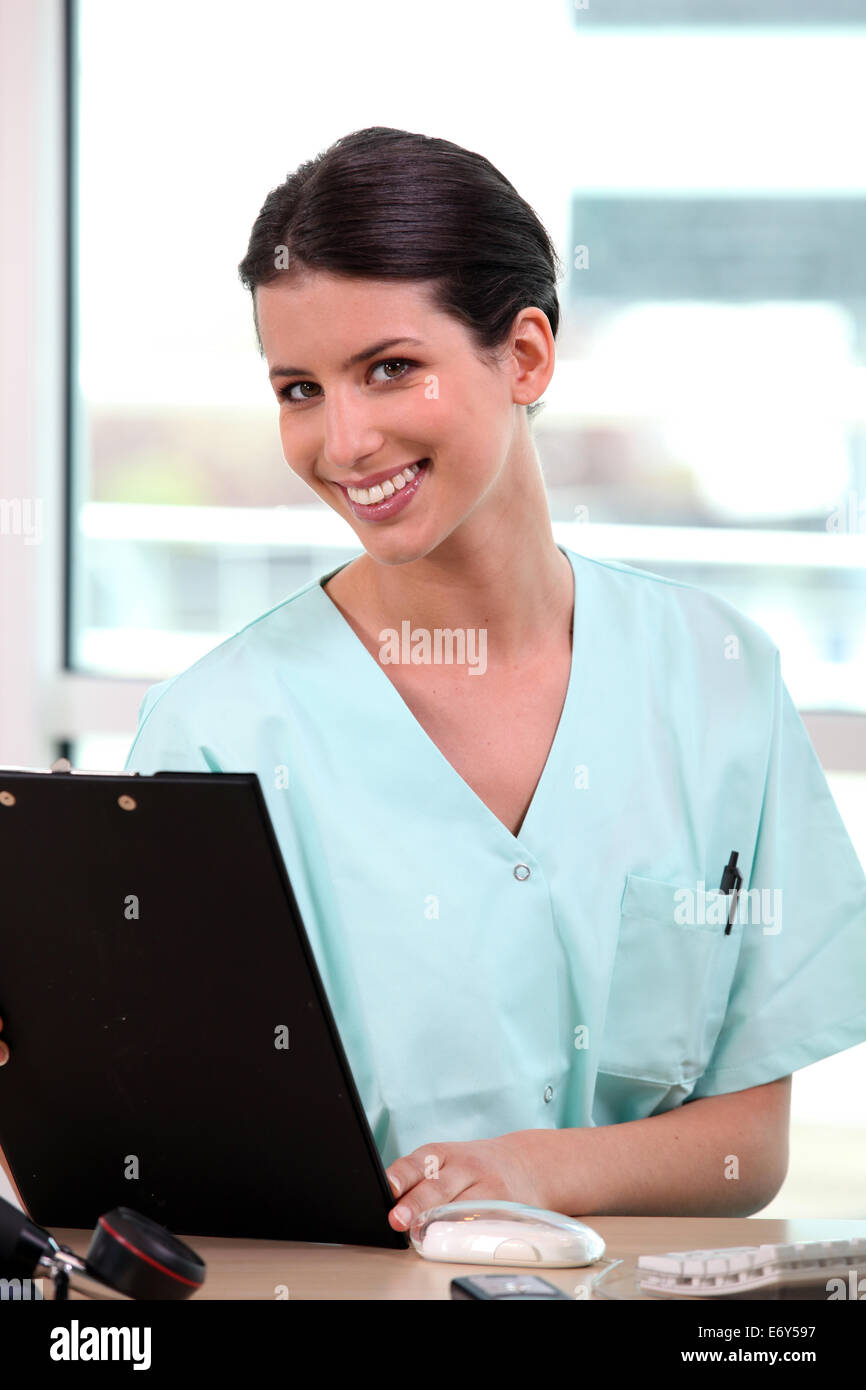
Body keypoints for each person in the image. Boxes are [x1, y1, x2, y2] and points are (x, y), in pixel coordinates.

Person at [54, 126, 866, 1227]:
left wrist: (536, 1170)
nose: (342, 442)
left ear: (524, 355)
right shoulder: (215, 732)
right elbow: (171, 1151)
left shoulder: (716, 678)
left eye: (390, 368)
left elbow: (744, 1145)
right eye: (299, 388)